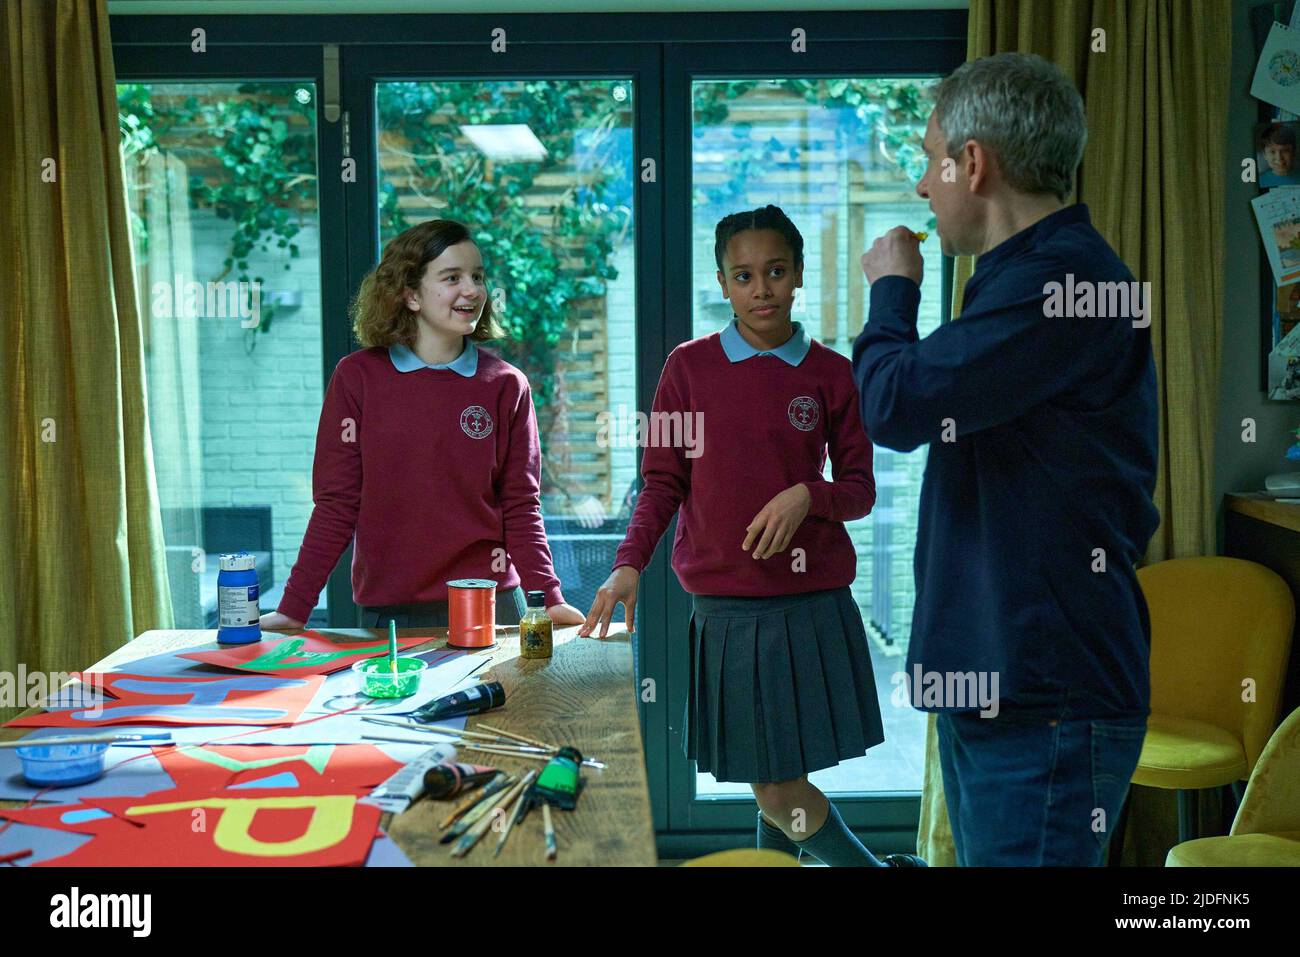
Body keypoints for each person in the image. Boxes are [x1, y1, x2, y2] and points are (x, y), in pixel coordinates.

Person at [853, 52, 1159, 865]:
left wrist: (890, 291)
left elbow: (895, 402)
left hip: (1045, 698)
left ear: (974, 162)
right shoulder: (1019, 281)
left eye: (929, 159)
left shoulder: (1063, 283)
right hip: (1005, 690)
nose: (923, 185)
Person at [582, 205, 924, 866]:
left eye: (774, 271)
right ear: (722, 282)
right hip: (727, 612)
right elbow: (660, 484)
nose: (760, 287)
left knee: (775, 781)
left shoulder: (832, 372)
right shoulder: (687, 369)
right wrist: (629, 563)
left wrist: (807, 495)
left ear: (798, 275)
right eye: (743, 275)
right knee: (773, 782)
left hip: (811, 606)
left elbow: (859, 488)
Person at [261, 219, 585, 632]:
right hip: (389, 615)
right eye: (452, 278)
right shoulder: (357, 379)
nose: (472, 290)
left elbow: (521, 505)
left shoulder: (506, 386)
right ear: (411, 295)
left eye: (477, 277)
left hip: (493, 607)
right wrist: (294, 609)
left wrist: (549, 599)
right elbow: (336, 503)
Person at [1260, 123, 1300, 187]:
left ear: (1294, 152)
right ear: (1265, 155)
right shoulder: (1260, 181)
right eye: (1272, 152)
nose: (1279, 157)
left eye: (1285, 151)